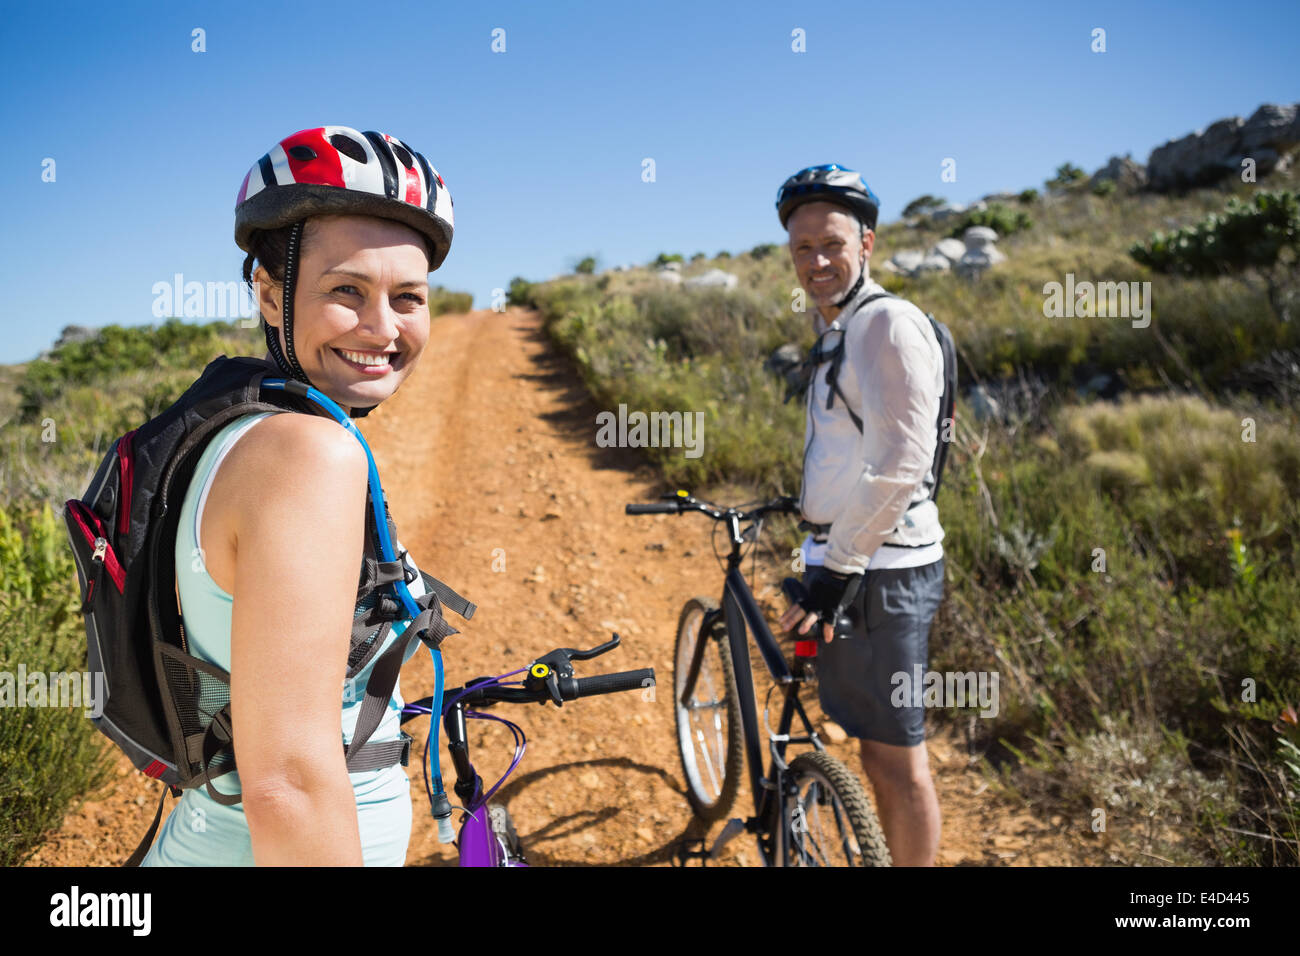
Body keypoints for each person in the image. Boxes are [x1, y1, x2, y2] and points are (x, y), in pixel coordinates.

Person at [141, 126, 455, 866]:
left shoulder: (237, 424)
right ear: (267, 293)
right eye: (346, 290)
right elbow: (286, 781)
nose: (383, 327)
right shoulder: (308, 453)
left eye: (408, 297)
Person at [774, 164, 946, 866]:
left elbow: (904, 463)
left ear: (866, 243)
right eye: (802, 248)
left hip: (879, 570)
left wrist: (835, 570)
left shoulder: (887, 325)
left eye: (832, 244)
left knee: (899, 764)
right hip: (848, 560)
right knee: (874, 750)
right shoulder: (838, 330)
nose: (816, 262)